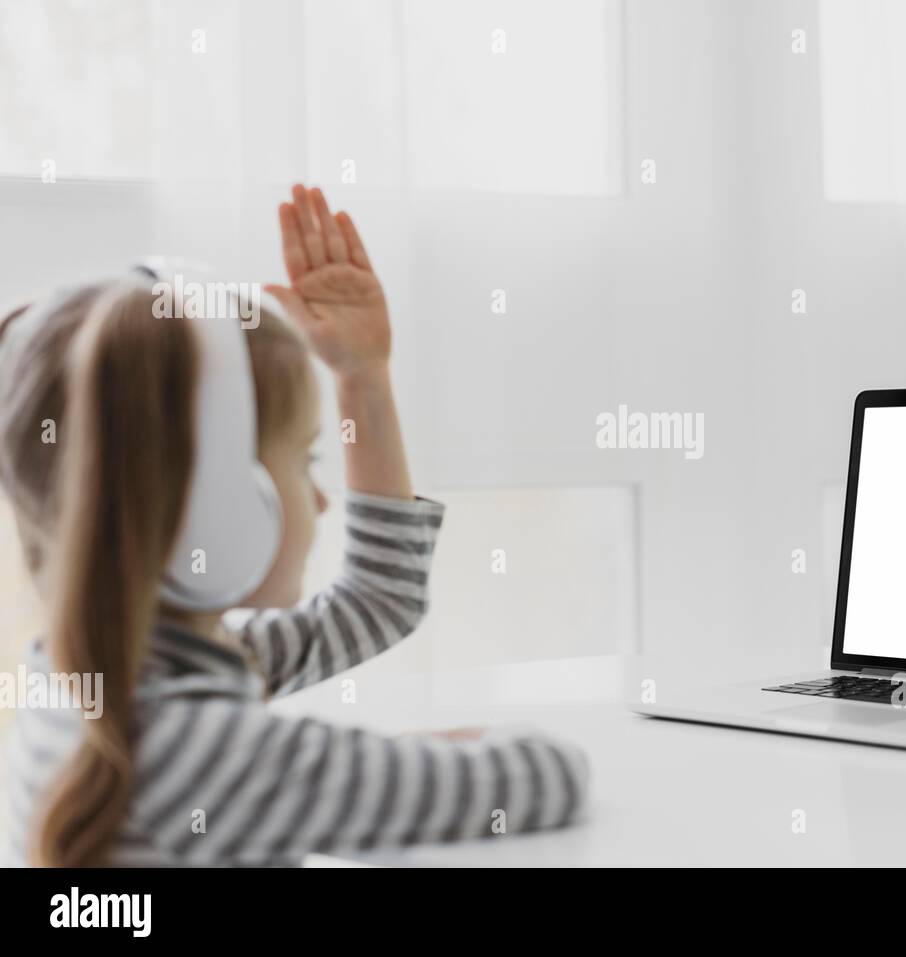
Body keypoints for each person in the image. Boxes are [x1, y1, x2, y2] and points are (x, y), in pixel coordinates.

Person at [0, 185, 588, 866]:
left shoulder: (99, 676)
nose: (320, 499)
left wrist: (361, 377)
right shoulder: (193, 750)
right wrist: (380, 774)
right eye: (304, 460)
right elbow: (546, 775)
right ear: (208, 506)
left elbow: (379, 599)